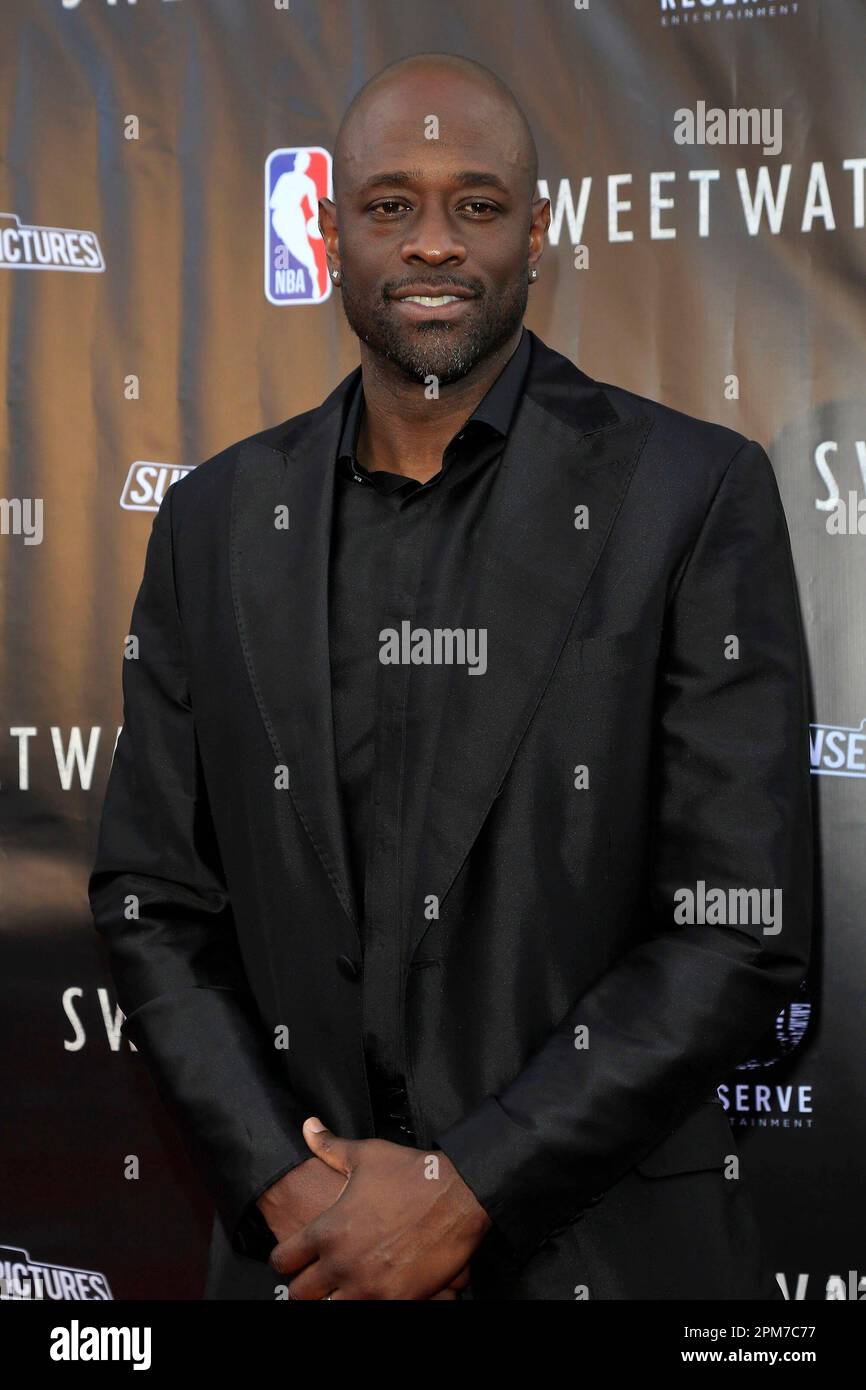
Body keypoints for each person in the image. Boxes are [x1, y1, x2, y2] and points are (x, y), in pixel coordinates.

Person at [89, 52, 812, 1300]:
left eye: (475, 204)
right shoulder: (211, 521)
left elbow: (737, 928)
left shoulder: (687, 494)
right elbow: (154, 895)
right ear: (326, 232)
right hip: (298, 1263)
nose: (432, 242)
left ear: (536, 232)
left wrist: (472, 1184)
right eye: (389, 205)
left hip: (599, 1250)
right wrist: (282, 1180)